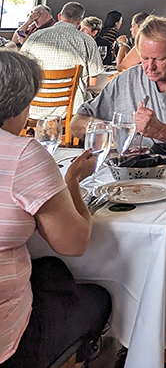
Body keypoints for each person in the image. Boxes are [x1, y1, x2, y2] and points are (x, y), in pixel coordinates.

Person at [0, 49, 111, 368]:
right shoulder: (23, 154)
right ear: (21, 105)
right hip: (9, 342)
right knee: (96, 297)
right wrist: (72, 180)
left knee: (50, 269)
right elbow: (75, 243)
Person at [71, 16, 166, 155]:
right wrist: (97, 127)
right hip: (132, 172)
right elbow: (76, 123)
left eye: (159, 59)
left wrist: (161, 131)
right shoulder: (125, 81)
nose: (149, 67)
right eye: (144, 58)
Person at [22, 1, 104, 117]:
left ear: (59, 16)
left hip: (34, 107)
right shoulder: (87, 41)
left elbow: (20, 70)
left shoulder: (36, 36)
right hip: (69, 111)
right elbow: (92, 82)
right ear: (80, 21)